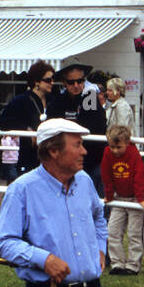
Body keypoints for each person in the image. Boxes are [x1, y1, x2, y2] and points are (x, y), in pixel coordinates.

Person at [0, 119, 108, 287]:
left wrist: (100, 248)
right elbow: (1, 242)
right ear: (53, 151)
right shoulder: (22, 190)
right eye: (77, 145)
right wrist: (44, 259)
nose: (84, 152)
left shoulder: (85, 181)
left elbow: (99, 216)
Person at [47, 61, 107, 193]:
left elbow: (95, 126)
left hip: (91, 157)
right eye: (71, 82)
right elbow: (51, 124)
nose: (76, 85)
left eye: (80, 81)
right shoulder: (59, 101)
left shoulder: (89, 98)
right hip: (66, 159)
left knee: (96, 196)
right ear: (64, 83)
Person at [101, 123, 144, 274]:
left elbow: (139, 175)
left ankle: (133, 266)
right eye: (112, 147)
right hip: (119, 197)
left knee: (134, 233)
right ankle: (117, 263)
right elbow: (106, 175)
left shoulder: (133, 153)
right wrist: (109, 196)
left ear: (127, 143)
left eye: (118, 147)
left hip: (135, 197)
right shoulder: (108, 153)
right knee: (112, 231)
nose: (115, 151)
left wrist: (140, 197)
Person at [0, 60, 56, 177]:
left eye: (53, 79)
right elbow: (3, 123)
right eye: (48, 80)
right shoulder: (22, 100)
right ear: (37, 82)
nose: (52, 83)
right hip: (28, 155)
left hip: (49, 155)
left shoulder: (52, 100)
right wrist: (26, 131)